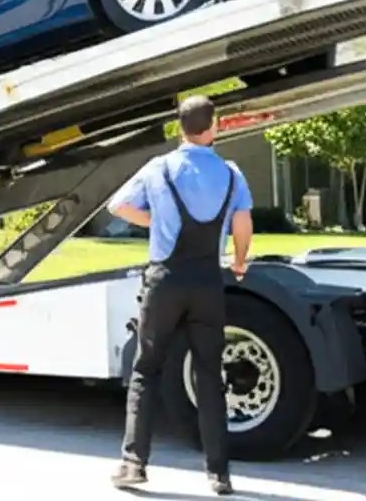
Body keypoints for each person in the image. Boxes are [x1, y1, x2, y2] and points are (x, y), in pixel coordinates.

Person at [107, 94, 253, 496]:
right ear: (214, 126)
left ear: (179, 128)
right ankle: (218, 474)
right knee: (209, 374)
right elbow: (243, 224)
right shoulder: (231, 173)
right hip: (208, 281)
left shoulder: (159, 168)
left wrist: (154, 221)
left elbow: (118, 205)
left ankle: (134, 464)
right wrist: (240, 262)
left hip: (165, 282)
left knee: (146, 369)